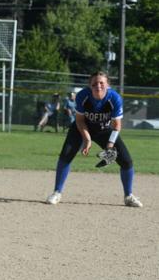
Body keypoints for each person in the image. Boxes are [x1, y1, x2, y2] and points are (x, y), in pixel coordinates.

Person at [46, 71, 142, 207]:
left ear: (107, 84)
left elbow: (117, 125)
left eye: (101, 83)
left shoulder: (114, 98)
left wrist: (110, 145)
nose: (98, 86)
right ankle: (56, 193)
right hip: (82, 128)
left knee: (126, 161)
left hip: (105, 130)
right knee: (66, 155)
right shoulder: (83, 96)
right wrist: (87, 139)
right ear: (89, 85)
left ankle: (128, 196)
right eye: (94, 83)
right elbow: (79, 121)